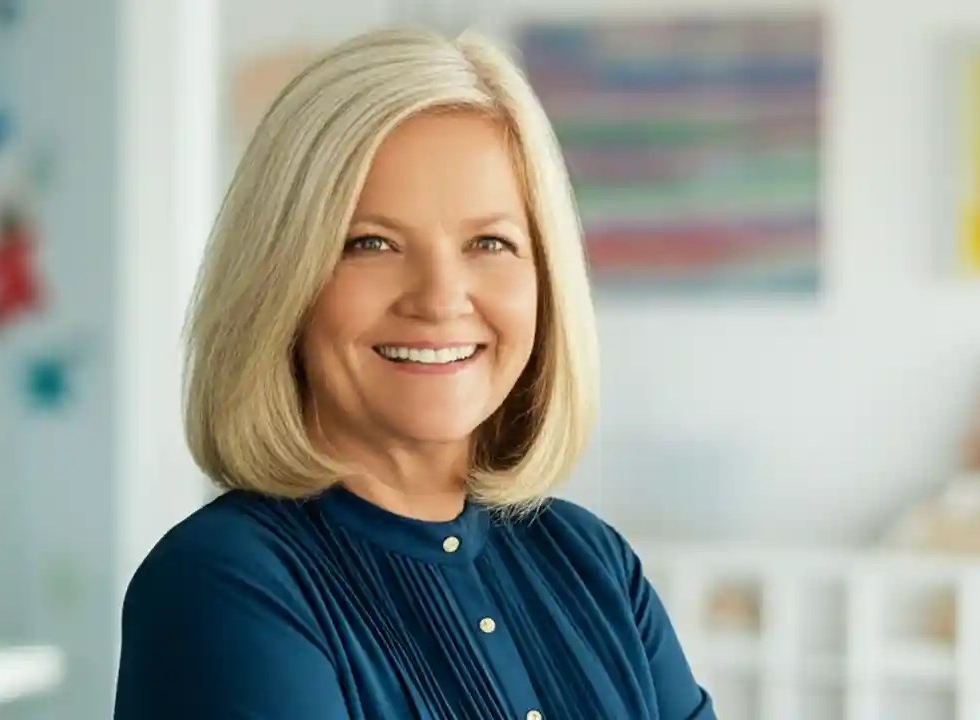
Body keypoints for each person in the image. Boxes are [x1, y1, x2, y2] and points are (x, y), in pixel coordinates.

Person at [114, 27, 716, 720]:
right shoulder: (224, 585)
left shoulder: (594, 562)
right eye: (371, 243)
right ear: (281, 280)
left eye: (489, 242)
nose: (438, 298)